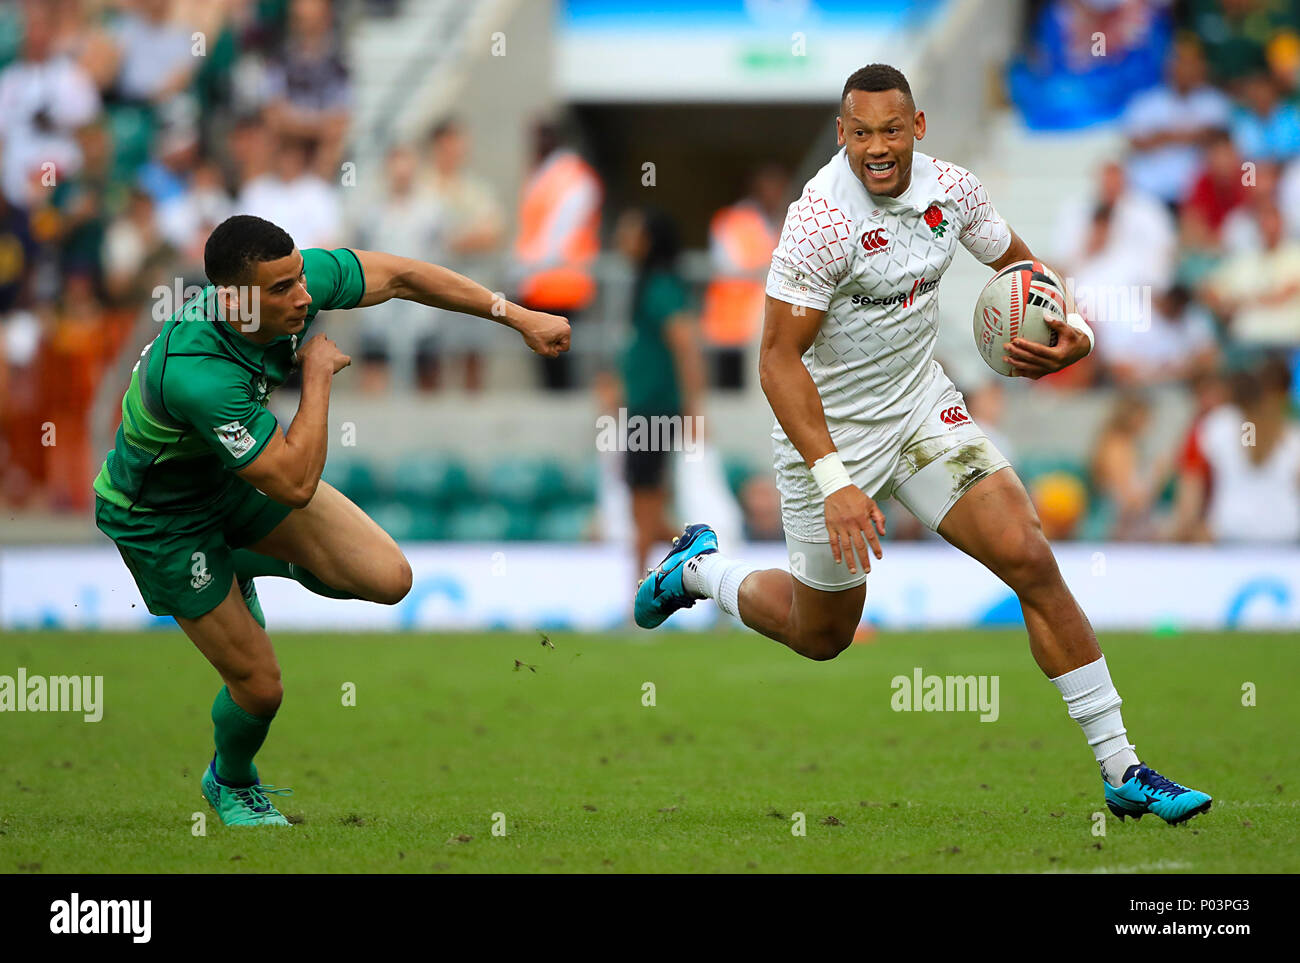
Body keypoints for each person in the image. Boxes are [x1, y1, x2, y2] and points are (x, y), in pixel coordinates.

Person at [632, 64, 1211, 825]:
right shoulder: (819, 222)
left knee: (1031, 556)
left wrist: (1075, 333)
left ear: (918, 128)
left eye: (892, 130)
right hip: (827, 435)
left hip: (920, 409)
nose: (877, 147)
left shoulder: (953, 192)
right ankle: (701, 571)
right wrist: (835, 478)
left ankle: (1123, 767)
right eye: (862, 132)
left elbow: (1025, 271)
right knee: (822, 634)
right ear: (842, 135)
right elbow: (774, 360)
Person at [92, 214, 569, 826]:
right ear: (233, 297)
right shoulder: (196, 370)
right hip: (163, 517)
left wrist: (517, 316)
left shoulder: (291, 281)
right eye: (283, 290)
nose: (304, 297)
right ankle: (231, 782)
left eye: (300, 279)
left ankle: (234, 561)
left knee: (388, 577)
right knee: (261, 689)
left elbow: (402, 275)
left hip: (233, 481)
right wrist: (316, 379)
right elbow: (292, 482)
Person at [612, 207, 706, 581]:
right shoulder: (647, 285)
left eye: (631, 231)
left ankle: (639, 595)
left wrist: (694, 408)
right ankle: (703, 562)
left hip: (655, 412)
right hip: (644, 410)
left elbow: (686, 345)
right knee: (644, 508)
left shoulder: (660, 287)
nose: (623, 239)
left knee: (644, 507)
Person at [512, 121, 601, 390]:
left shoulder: (571, 177)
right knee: (549, 361)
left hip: (562, 283)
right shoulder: (546, 176)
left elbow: (556, 237)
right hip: (544, 284)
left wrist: (523, 271)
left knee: (559, 361)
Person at [699, 164, 788, 389]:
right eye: (770, 189)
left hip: (766, 326)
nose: (775, 195)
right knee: (731, 395)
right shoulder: (732, 220)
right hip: (731, 326)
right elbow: (728, 265)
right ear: (757, 190)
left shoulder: (784, 221)